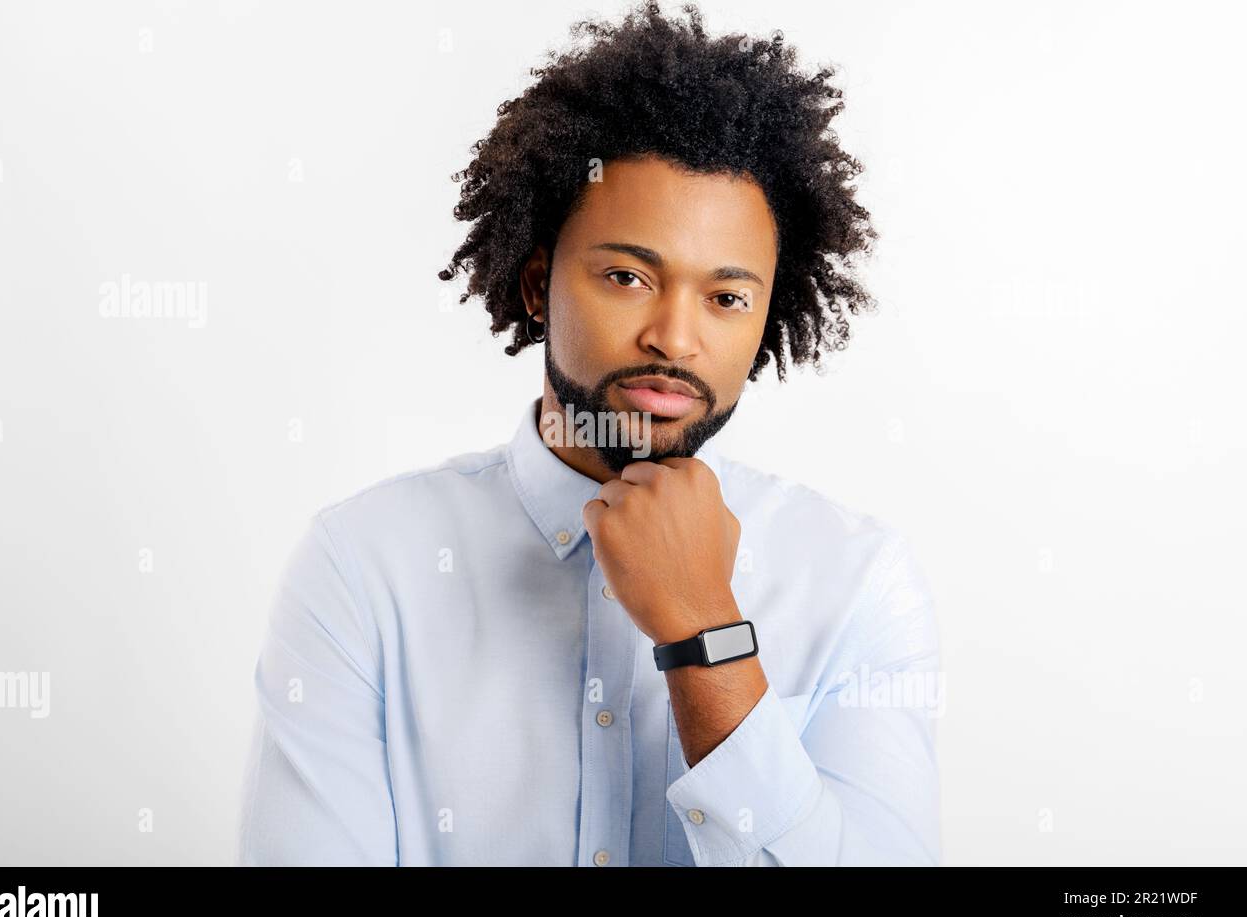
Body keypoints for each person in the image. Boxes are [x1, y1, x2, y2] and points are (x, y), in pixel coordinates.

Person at [237, 1, 941, 866]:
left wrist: (704, 631)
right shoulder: (364, 565)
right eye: (626, 276)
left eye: (726, 298)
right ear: (538, 285)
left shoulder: (857, 582)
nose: (676, 338)